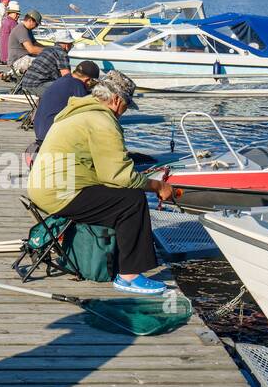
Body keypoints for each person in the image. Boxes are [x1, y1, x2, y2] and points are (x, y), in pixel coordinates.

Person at [27, 70, 176, 296]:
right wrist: (158, 186)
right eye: (126, 106)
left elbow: (106, 170)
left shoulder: (82, 110)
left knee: (121, 196)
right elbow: (118, 175)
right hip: (60, 193)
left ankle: (117, 259)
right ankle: (129, 275)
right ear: (116, 100)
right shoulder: (103, 121)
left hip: (44, 187)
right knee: (132, 201)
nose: (124, 112)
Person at [33, 59, 100, 143]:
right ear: (88, 80)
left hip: (41, 131)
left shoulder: (64, 79)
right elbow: (85, 112)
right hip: (51, 136)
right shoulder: (77, 85)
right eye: (93, 83)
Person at [21, 29, 75, 96]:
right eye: (71, 45)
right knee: (67, 88)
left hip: (26, 83)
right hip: (37, 85)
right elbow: (67, 77)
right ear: (67, 45)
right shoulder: (62, 53)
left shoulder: (47, 49)